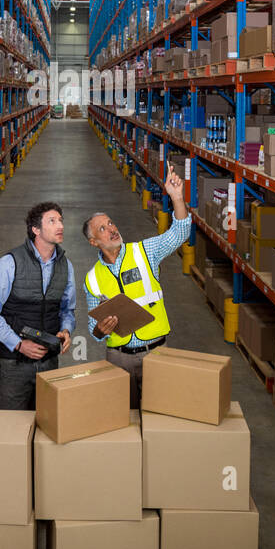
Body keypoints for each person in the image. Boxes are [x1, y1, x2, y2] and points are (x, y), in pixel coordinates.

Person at [83, 161, 190, 407]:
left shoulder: (144, 251)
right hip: (118, 359)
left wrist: (177, 199)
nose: (111, 229)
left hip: (156, 352)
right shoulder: (92, 278)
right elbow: (94, 331)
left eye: (111, 223)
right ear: (93, 242)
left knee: (161, 416)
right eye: (102, 228)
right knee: (122, 420)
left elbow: (180, 233)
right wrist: (102, 328)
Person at [0, 201, 76, 410]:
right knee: (11, 427)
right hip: (15, 364)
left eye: (61, 220)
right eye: (52, 221)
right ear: (35, 230)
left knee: (47, 427)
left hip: (49, 362)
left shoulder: (65, 266)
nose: (60, 226)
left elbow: (67, 308)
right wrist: (19, 344)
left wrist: (66, 329)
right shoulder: (9, 263)